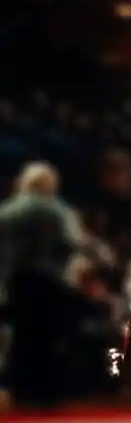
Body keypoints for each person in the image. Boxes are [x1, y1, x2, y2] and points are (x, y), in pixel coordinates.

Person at [0, 161, 81, 407]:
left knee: (22, 336)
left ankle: (21, 390)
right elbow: (71, 243)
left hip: (18, 280)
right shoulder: (59, 211)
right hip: (51, 281)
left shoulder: (9, 211)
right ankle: (47, 392)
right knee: (49, 336)